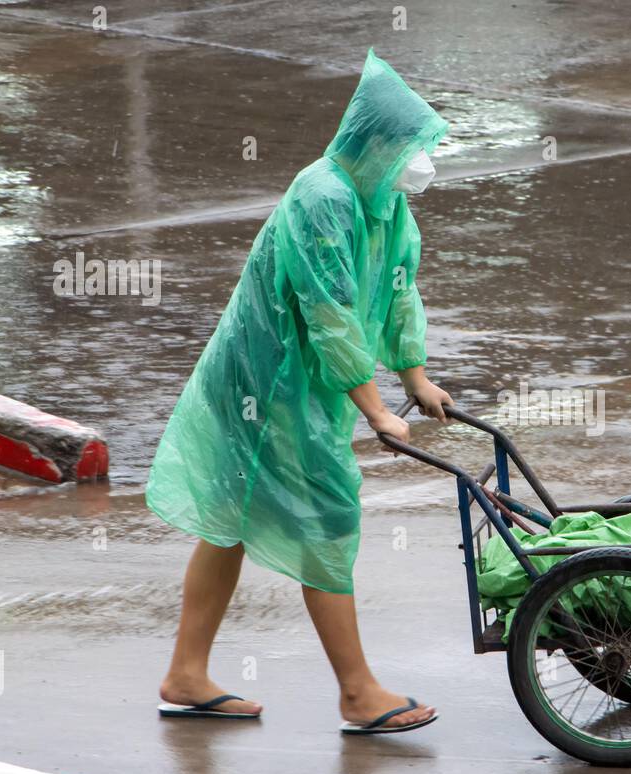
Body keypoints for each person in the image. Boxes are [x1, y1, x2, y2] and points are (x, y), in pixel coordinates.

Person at [145, 49, 452, 734]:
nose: (415, 169)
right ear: (373, 143)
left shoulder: (386, 205)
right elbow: (331, 313)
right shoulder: (323, 197)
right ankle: (357, 692)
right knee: (327, 516)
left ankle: (185, 674)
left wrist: (415, 376)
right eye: (407, 151)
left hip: (300, 380)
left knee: (229, 520)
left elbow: (400, 292)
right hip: (264, 379)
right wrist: (375, 409)